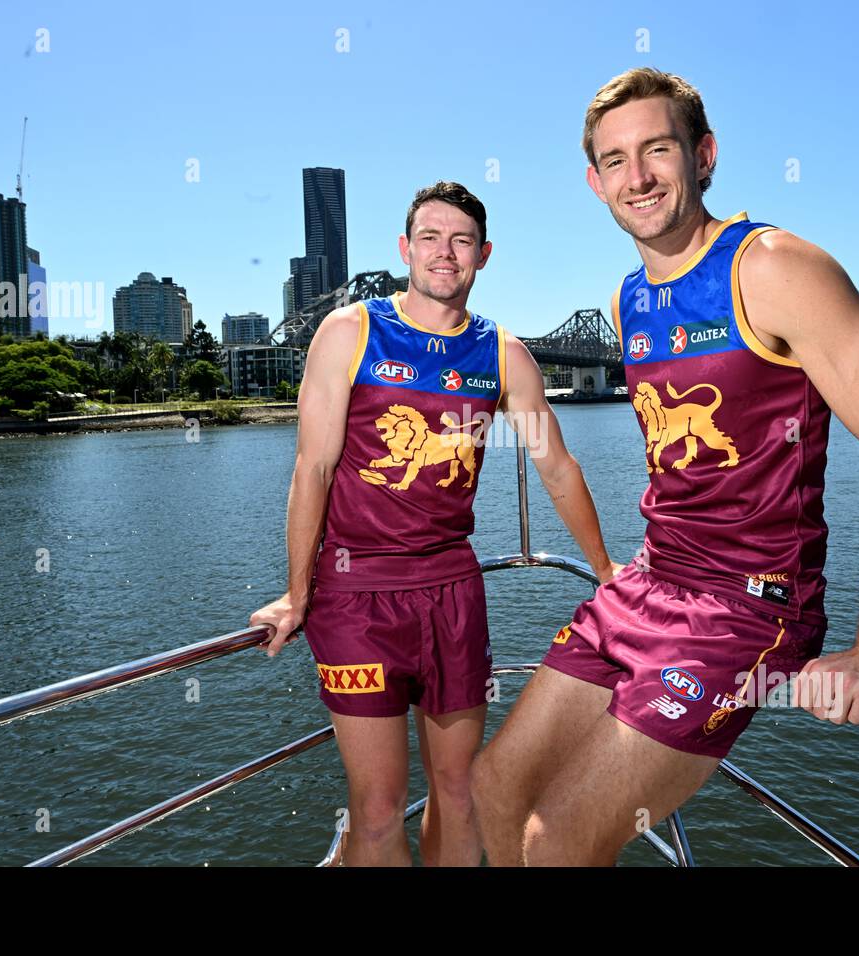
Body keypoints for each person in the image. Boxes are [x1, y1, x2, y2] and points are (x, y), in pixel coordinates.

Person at [471, 68, 859, 866]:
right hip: (648, 586)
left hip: (746, 610)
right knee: (490, 788)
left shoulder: (772, 268)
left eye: (657, 149)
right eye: (616, 160)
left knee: (555, 839)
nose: (639, 177)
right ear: (594, 183)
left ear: (704, 156)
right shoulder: (630, 300)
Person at [249, 181, 619, 866]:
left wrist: (606, 570)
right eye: (429, 238)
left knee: (458, 790)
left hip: (453, 589)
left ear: (483, 255)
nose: (443, 254)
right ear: (404, 249)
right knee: (380, 807)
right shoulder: (349, 332)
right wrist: (297, 594)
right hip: (357, 596)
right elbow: (313, 470)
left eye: (460, 241)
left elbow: (557, 467)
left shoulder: (503, 356)